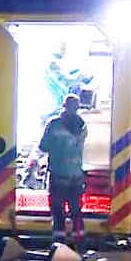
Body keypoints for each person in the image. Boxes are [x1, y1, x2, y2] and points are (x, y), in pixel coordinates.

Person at [39, 94, 88, 245]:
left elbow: (43, 146)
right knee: (76, 211)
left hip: (58, 175)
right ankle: (79, 243)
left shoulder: (54, 124)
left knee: (58, 210)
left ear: (64, 106)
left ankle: (59, 244)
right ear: (77, 108)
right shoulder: (82, 126)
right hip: (76, 176)